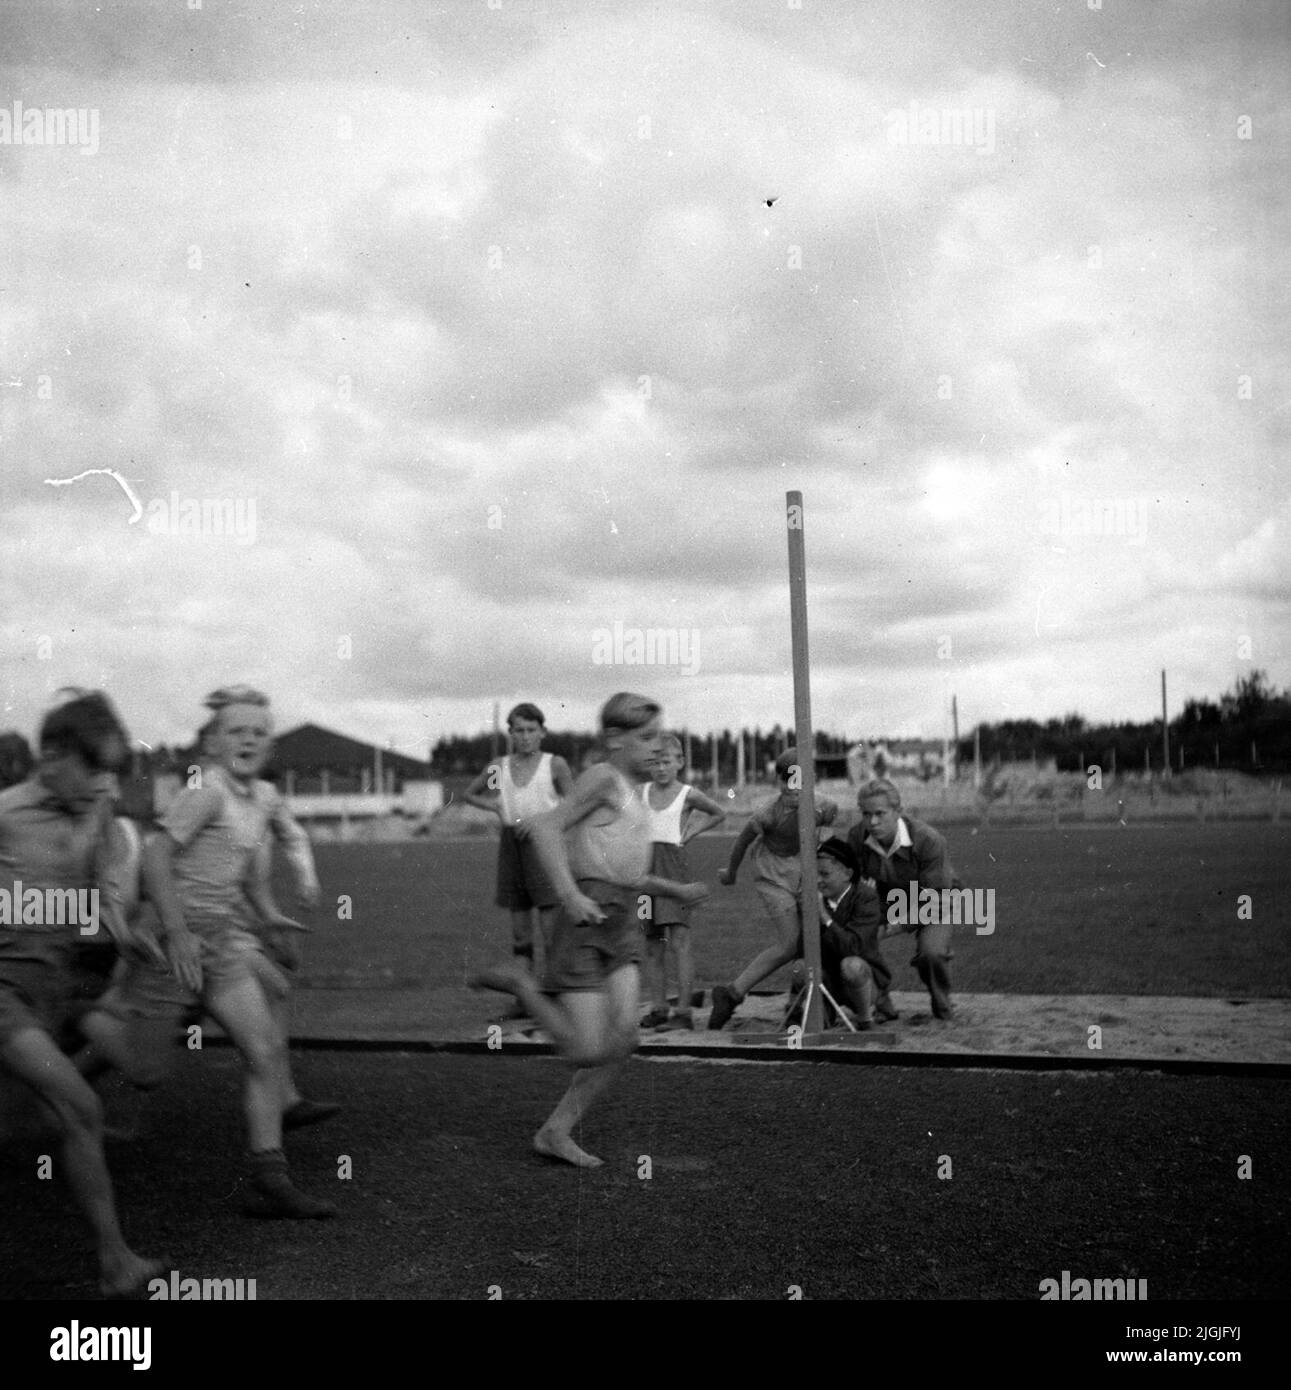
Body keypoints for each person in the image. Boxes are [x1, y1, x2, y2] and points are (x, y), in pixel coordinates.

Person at [469, 692, 708, 1168]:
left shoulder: (633, 794)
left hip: (620, 923)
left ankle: (555, 1131)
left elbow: (627, 870)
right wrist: (570, 895)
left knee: (623, 1042)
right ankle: (523, 983)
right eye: (646, 738)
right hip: (584, 922)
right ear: (615, 740)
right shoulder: (602, 778)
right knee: (585, 1051)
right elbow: (543, 829)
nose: (658, 748)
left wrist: (675, 892)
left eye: (660, 736)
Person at [139, 687, 337, 1216]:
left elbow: (240, 868)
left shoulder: (260, 799)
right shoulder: (206, 791)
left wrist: (267, 914)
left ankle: (270, 1176)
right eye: (236, 730)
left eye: (259, 731)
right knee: (132, 1062)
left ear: (271, 745)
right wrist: (177, 931)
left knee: (264, 1047)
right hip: (172, 940)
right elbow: (155, 858)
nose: (249, 739)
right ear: (212, 741)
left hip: (219, 940)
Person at [0, 691, 162, 1295]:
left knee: (24, 1127)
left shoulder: (94, 816)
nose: (102, 784)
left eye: (108, 773)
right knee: (80, 1108)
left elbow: (103, 899)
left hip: (46, 996)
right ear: (52, 757)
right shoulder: (8, 813)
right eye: (92, 769)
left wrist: (130, 933)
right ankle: (116, 1263)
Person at [707, 747, 837, 1030]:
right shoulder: (768, 813)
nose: (793, 788)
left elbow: (829, 830)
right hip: (772, 875)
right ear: (778, 782)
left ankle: (799, 1000)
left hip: (804, 872)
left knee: (814, 936)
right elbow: (741, 842)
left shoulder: (824, 806)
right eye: (786, 780)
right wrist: (730, 872)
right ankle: (731, 994)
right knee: (791, 943)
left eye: (799, 780)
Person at [460, 703, 573, 1001]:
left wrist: (541, 821)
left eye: (531, 730)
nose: (525, 737)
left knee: (550, 932)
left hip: (545, 847)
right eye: (518, 731)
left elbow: (576, 804)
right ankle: (527, 1000)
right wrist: (495, 806)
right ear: (510, 733)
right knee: (521, 935)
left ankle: (556, 997)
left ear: (543, 732)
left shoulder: (554, 764)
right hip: (512, 848)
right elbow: (469, 794)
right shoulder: (500, 765)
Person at [846, 777, 957, 1022]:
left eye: (880, 813)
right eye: (866, 814)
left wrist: (892, 928)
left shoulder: (928, 839)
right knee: (854, 937)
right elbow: (853, 888)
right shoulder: (856, 838)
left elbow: (935, 902)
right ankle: (880, 1002)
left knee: (932, 953)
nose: (872, 822)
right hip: (891, 899)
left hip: (937, 901)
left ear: (898, 811)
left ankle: (943, 1007)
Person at [638, 734, 725, 1031]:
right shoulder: (640, 791)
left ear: (679, 762)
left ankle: (684, 1012)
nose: (660, 768)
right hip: (645, 875)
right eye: (654, 762)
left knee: (679, 941)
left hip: (674, 869)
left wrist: (690, 833)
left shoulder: (687, 794)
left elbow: (718, 812)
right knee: (651, 943)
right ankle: (659, 1007)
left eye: (666, 762)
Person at [794, 837, 894, 1029]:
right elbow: (803, 949)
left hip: (864, 980)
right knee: (800, 967)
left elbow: (853, 947)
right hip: (829, 980)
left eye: (824, 874)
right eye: (815, 874)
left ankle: (866, 1018)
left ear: (847, 873)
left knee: (852, 966)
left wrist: (824, 917)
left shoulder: (866, 897)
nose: (818, 881)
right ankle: (823, 1012)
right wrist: (804, 915)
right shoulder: (814, 897)